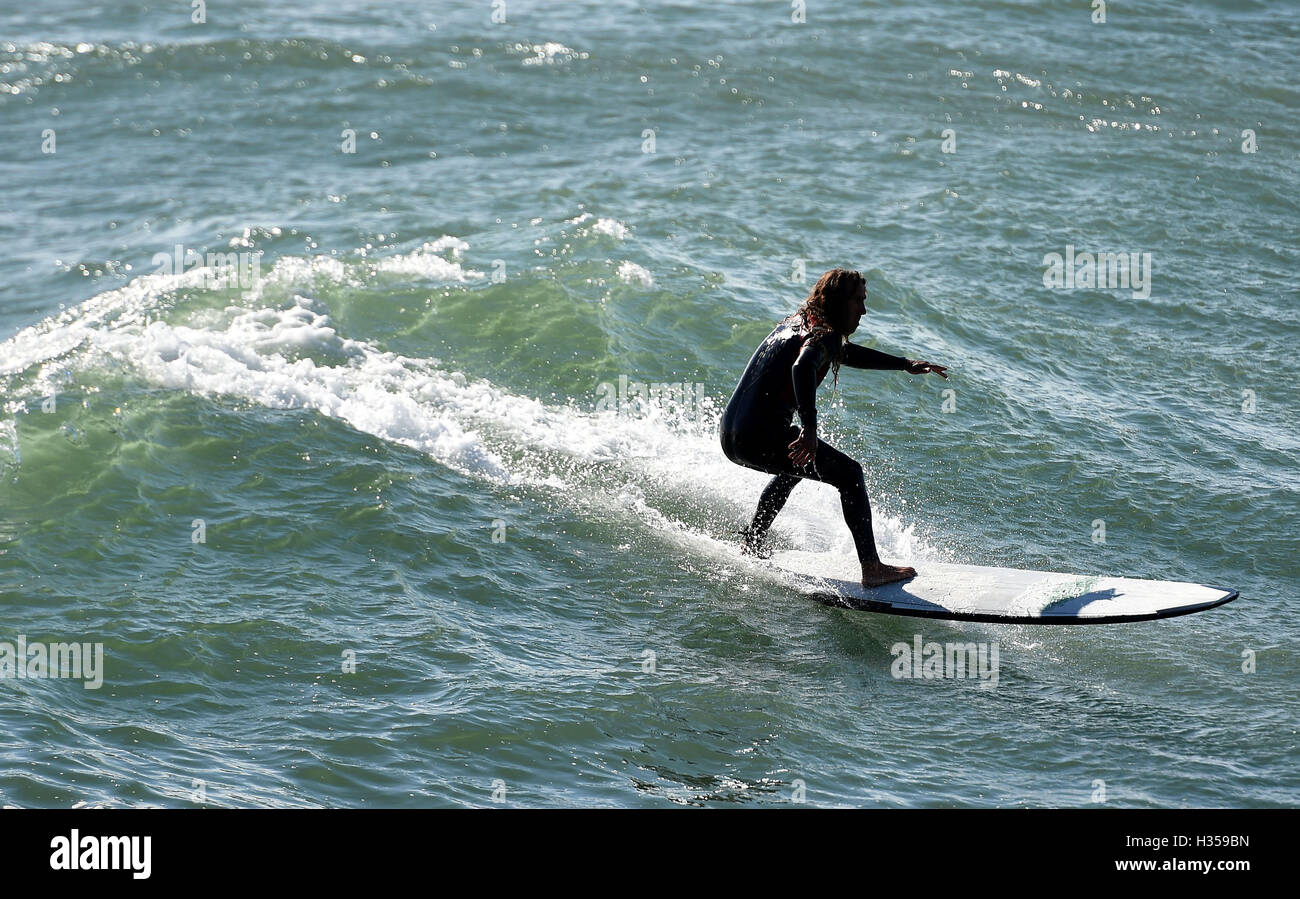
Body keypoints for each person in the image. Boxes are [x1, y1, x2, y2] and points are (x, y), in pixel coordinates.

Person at [718, 268, 948, 588]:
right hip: (758, 435)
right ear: (837, 301)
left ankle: (753, 539)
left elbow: (843, 353)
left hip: (732, 433)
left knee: (794, 466)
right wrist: (809, 430)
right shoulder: (823, 334)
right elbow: (803, 367)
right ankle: (872, 567)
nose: (864, 311)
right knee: (850, 475)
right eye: (857, 302)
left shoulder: (799, 323)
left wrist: (904, 363)